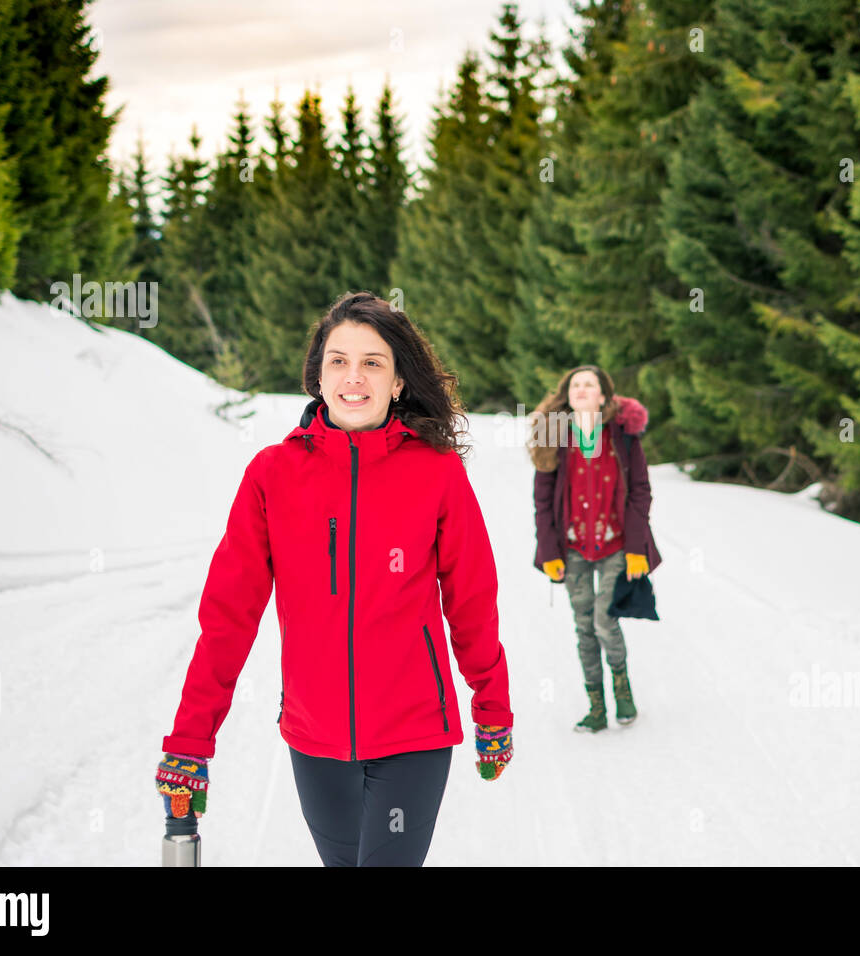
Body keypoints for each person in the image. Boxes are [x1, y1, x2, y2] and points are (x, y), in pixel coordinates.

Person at [155, 291, 514, 867]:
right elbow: (228, 618)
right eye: (338, 361)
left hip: (415, 734)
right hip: (315, 737)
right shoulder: (272, 475)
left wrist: (492, 706)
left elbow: (472, 601)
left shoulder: (437, 472)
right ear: (317, 377)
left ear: (398, 381)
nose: (354, 377)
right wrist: (190, 741)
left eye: (373, 362)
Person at [528, 365, 662, 733]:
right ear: (568, 395)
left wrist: (637, 549)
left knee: (605, 620)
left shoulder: (623, 436)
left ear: (604, 395)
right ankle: (596, 707)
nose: (582, 389)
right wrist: (549, 550)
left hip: (616, 544)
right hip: (572, 549)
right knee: (584, 626)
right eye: (575, 385)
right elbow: (542, 500)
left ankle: (623, 689)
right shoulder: (554, 434)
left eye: (590, 384)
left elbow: (640, 491)